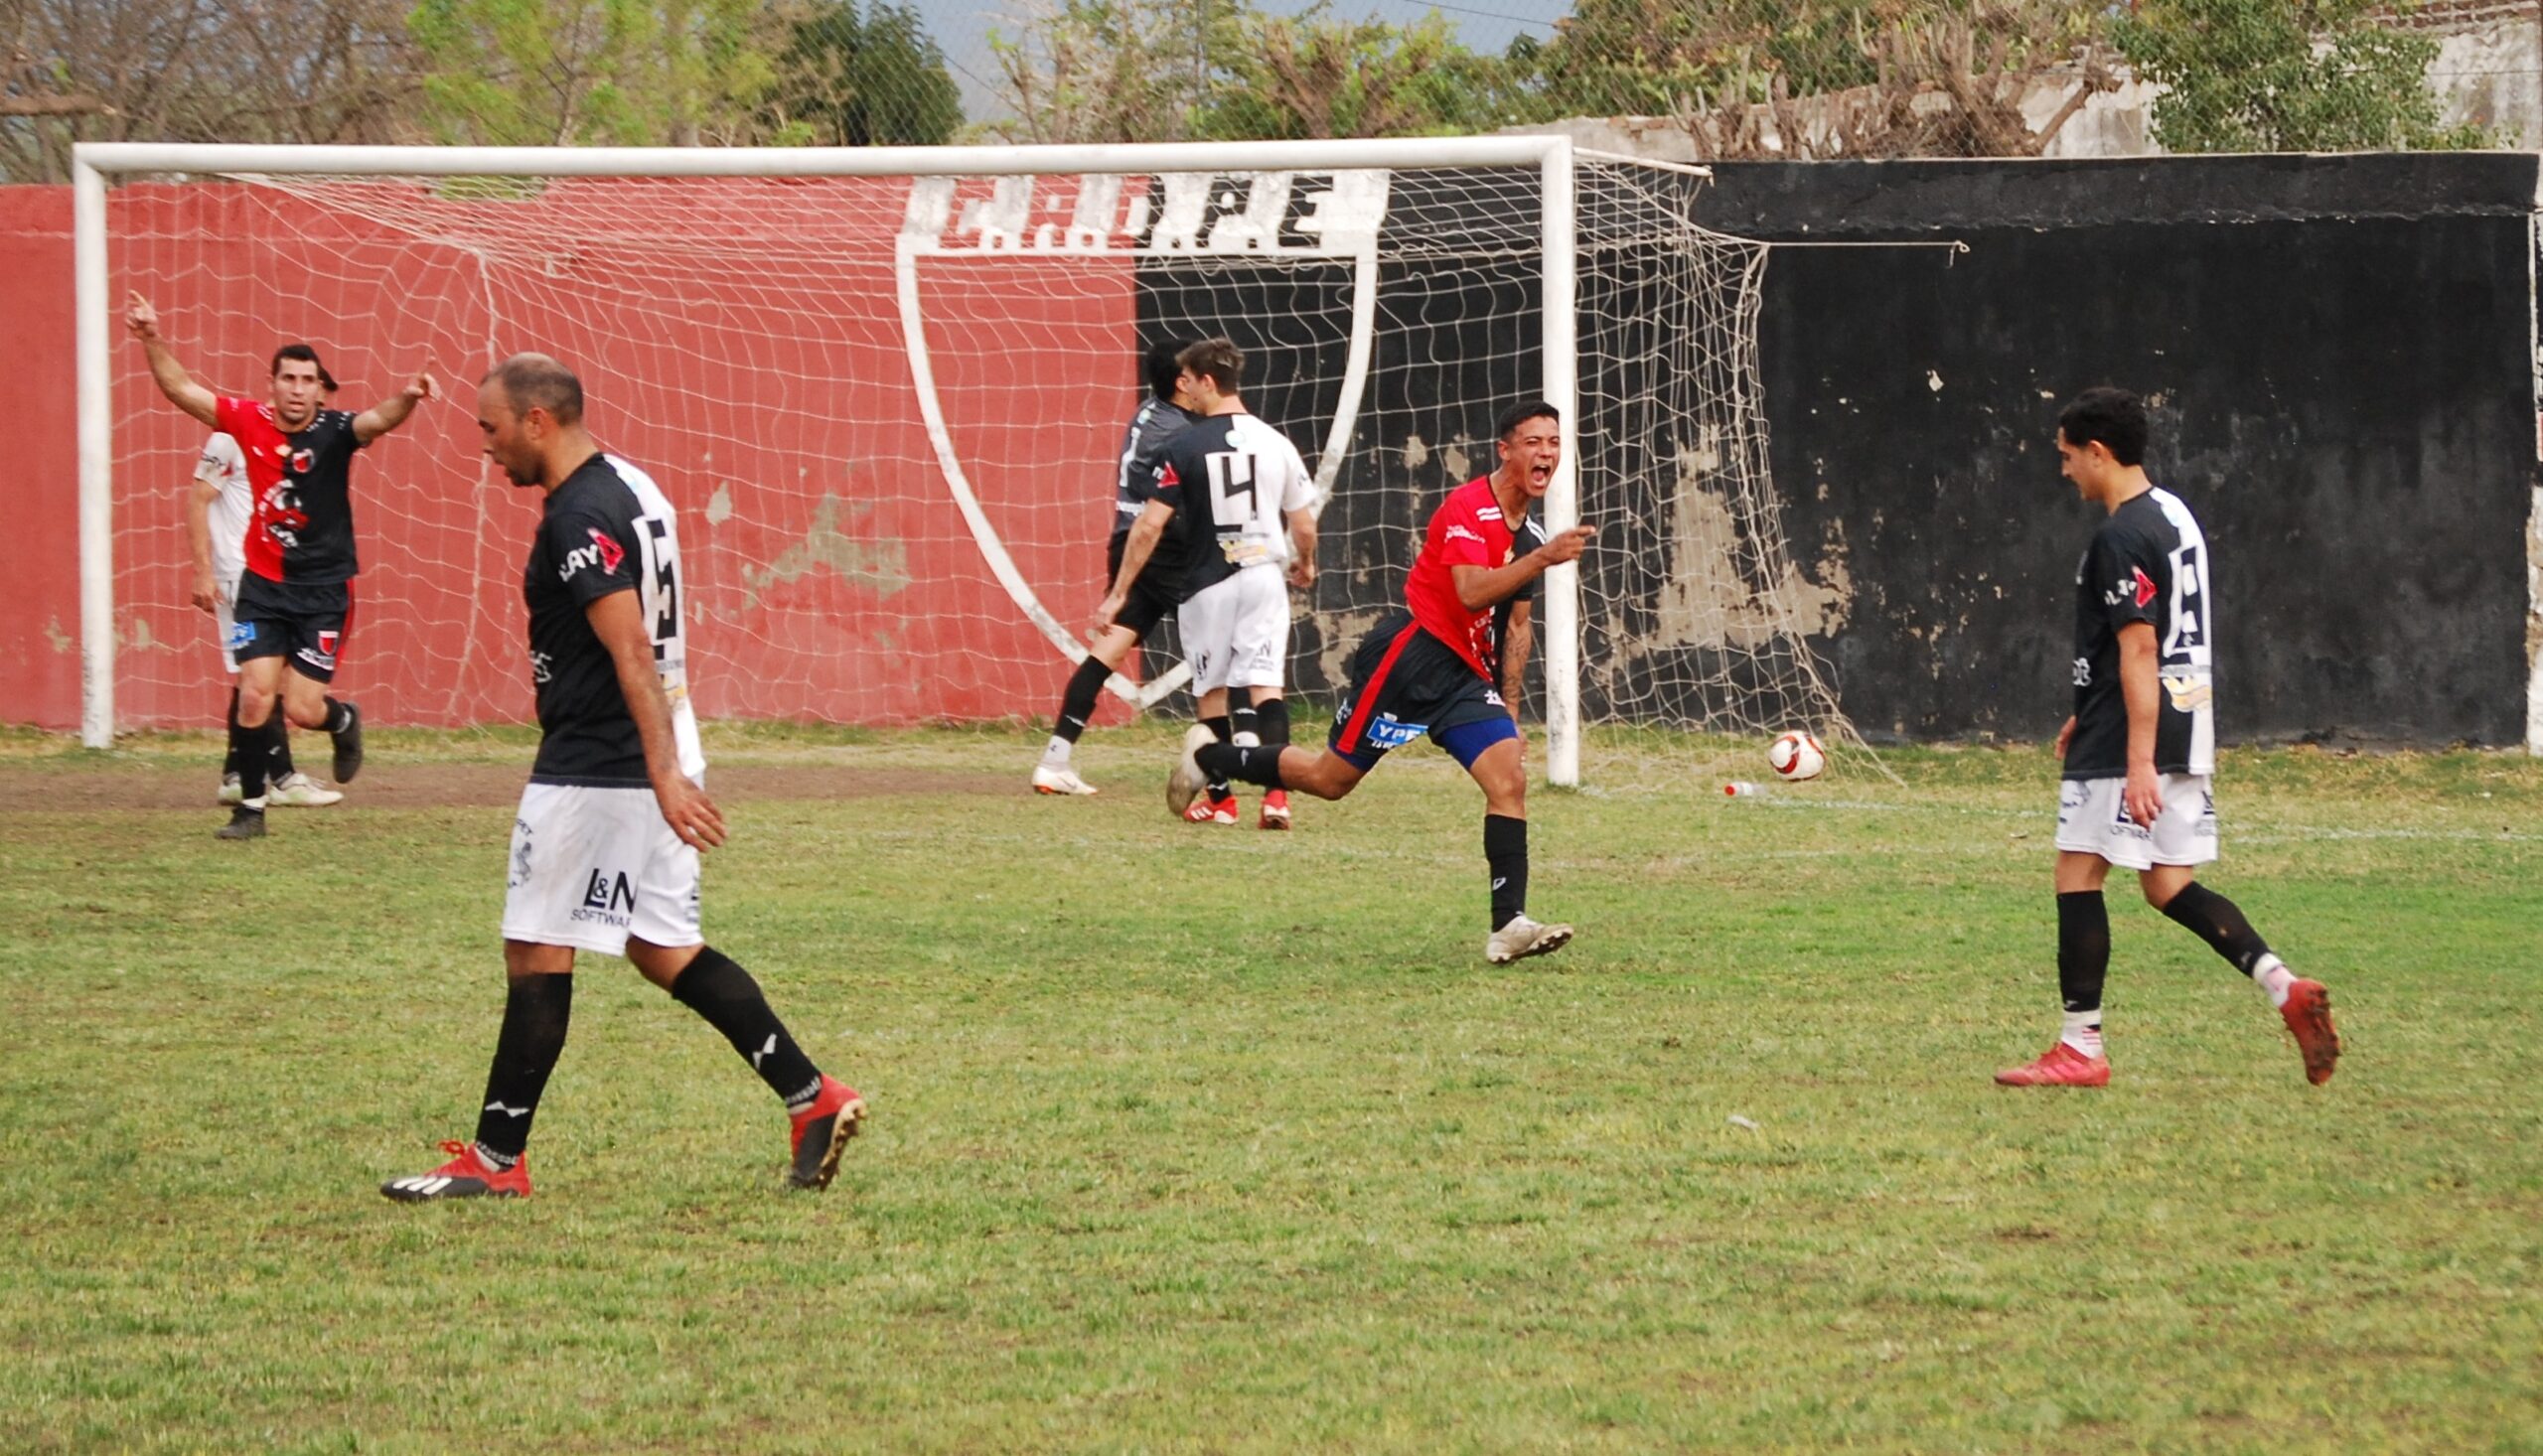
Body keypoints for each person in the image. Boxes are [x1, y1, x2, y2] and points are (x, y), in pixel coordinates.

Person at [381, 354, 863, 1202]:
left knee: (536, 948)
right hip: (653, 747)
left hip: (603, 767)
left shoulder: (578, 516)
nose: (486, 449)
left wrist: (660, 776)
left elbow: (630, 648)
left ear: (539, 421)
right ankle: (811, 1097)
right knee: (661, 946)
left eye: (491, 430)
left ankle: (495, 1164)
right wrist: (669, 763)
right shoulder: (634, 484)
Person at [1997, 387, 2340, 1089]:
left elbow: (2141, 649)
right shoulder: (2173, 514)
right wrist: (2089, 707)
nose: (2064, 471)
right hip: (2187, 719)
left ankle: (2079, 1047)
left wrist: (2136, 758)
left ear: (2099, 452)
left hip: (2137, 733)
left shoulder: (2120, 535)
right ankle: (2284, 986)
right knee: (2166, 883)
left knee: (2077, 873)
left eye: (2067, 457)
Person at [1172, 400, 1591, 962]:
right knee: (1329, 780)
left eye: (1554, 443)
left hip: (1463, 677)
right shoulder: (1468, 508)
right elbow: (1469, 592)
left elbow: (1516, 626)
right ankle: (1214, 759)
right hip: (1410, 657)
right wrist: (1541, 559)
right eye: (1535, 442)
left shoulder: (1531, 531)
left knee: (1508, 779)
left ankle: (1509, 923)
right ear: (1506, 450)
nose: (1547, 453)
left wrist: (1508, 707)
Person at [125, 292, 434, 839]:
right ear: (273, 384)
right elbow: (180, 389)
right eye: (287, 379)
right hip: (262, 585)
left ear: (320, 387)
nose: (297, 390)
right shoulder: (246, 422)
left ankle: (342, 721)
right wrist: (152, 338)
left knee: (302, 707)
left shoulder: (337, 432)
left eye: (307, 380)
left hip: (323, 590)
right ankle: (250, 810)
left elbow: (378, 419)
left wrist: (406, 397)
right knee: (253, 692)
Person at [1137, 339, 1317, 828]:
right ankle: (1277, 799)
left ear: (1207, 382)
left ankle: (1222, 800)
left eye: (1190, 383)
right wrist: (1307, 563)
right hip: (1263, 575)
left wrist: (1118, 591)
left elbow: (1151, 524)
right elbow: (1302, 523)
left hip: (1206, 581)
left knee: (1212, 693)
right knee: (1266, 687)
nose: (1187, 392)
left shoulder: (1182, 445)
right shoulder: (1277, 442)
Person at [1030, 338, 1200, 797]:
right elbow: (1171, 506)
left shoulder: (1150, 412)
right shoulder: (1180, 434)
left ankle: (1055, 761)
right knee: (1222, 649)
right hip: (1159, 544)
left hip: (1128, 542)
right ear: (1184, 381)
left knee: (1108, 652)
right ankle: (1221, 772)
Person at [192, 423, 341, 810]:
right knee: (266, 679)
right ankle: (284, 778)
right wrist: (203, 570)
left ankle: (236, 774)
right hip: (241, 572)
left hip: (274, 575)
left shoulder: (285, 445)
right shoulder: (231, 437)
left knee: (255, 681)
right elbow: (198, 498)